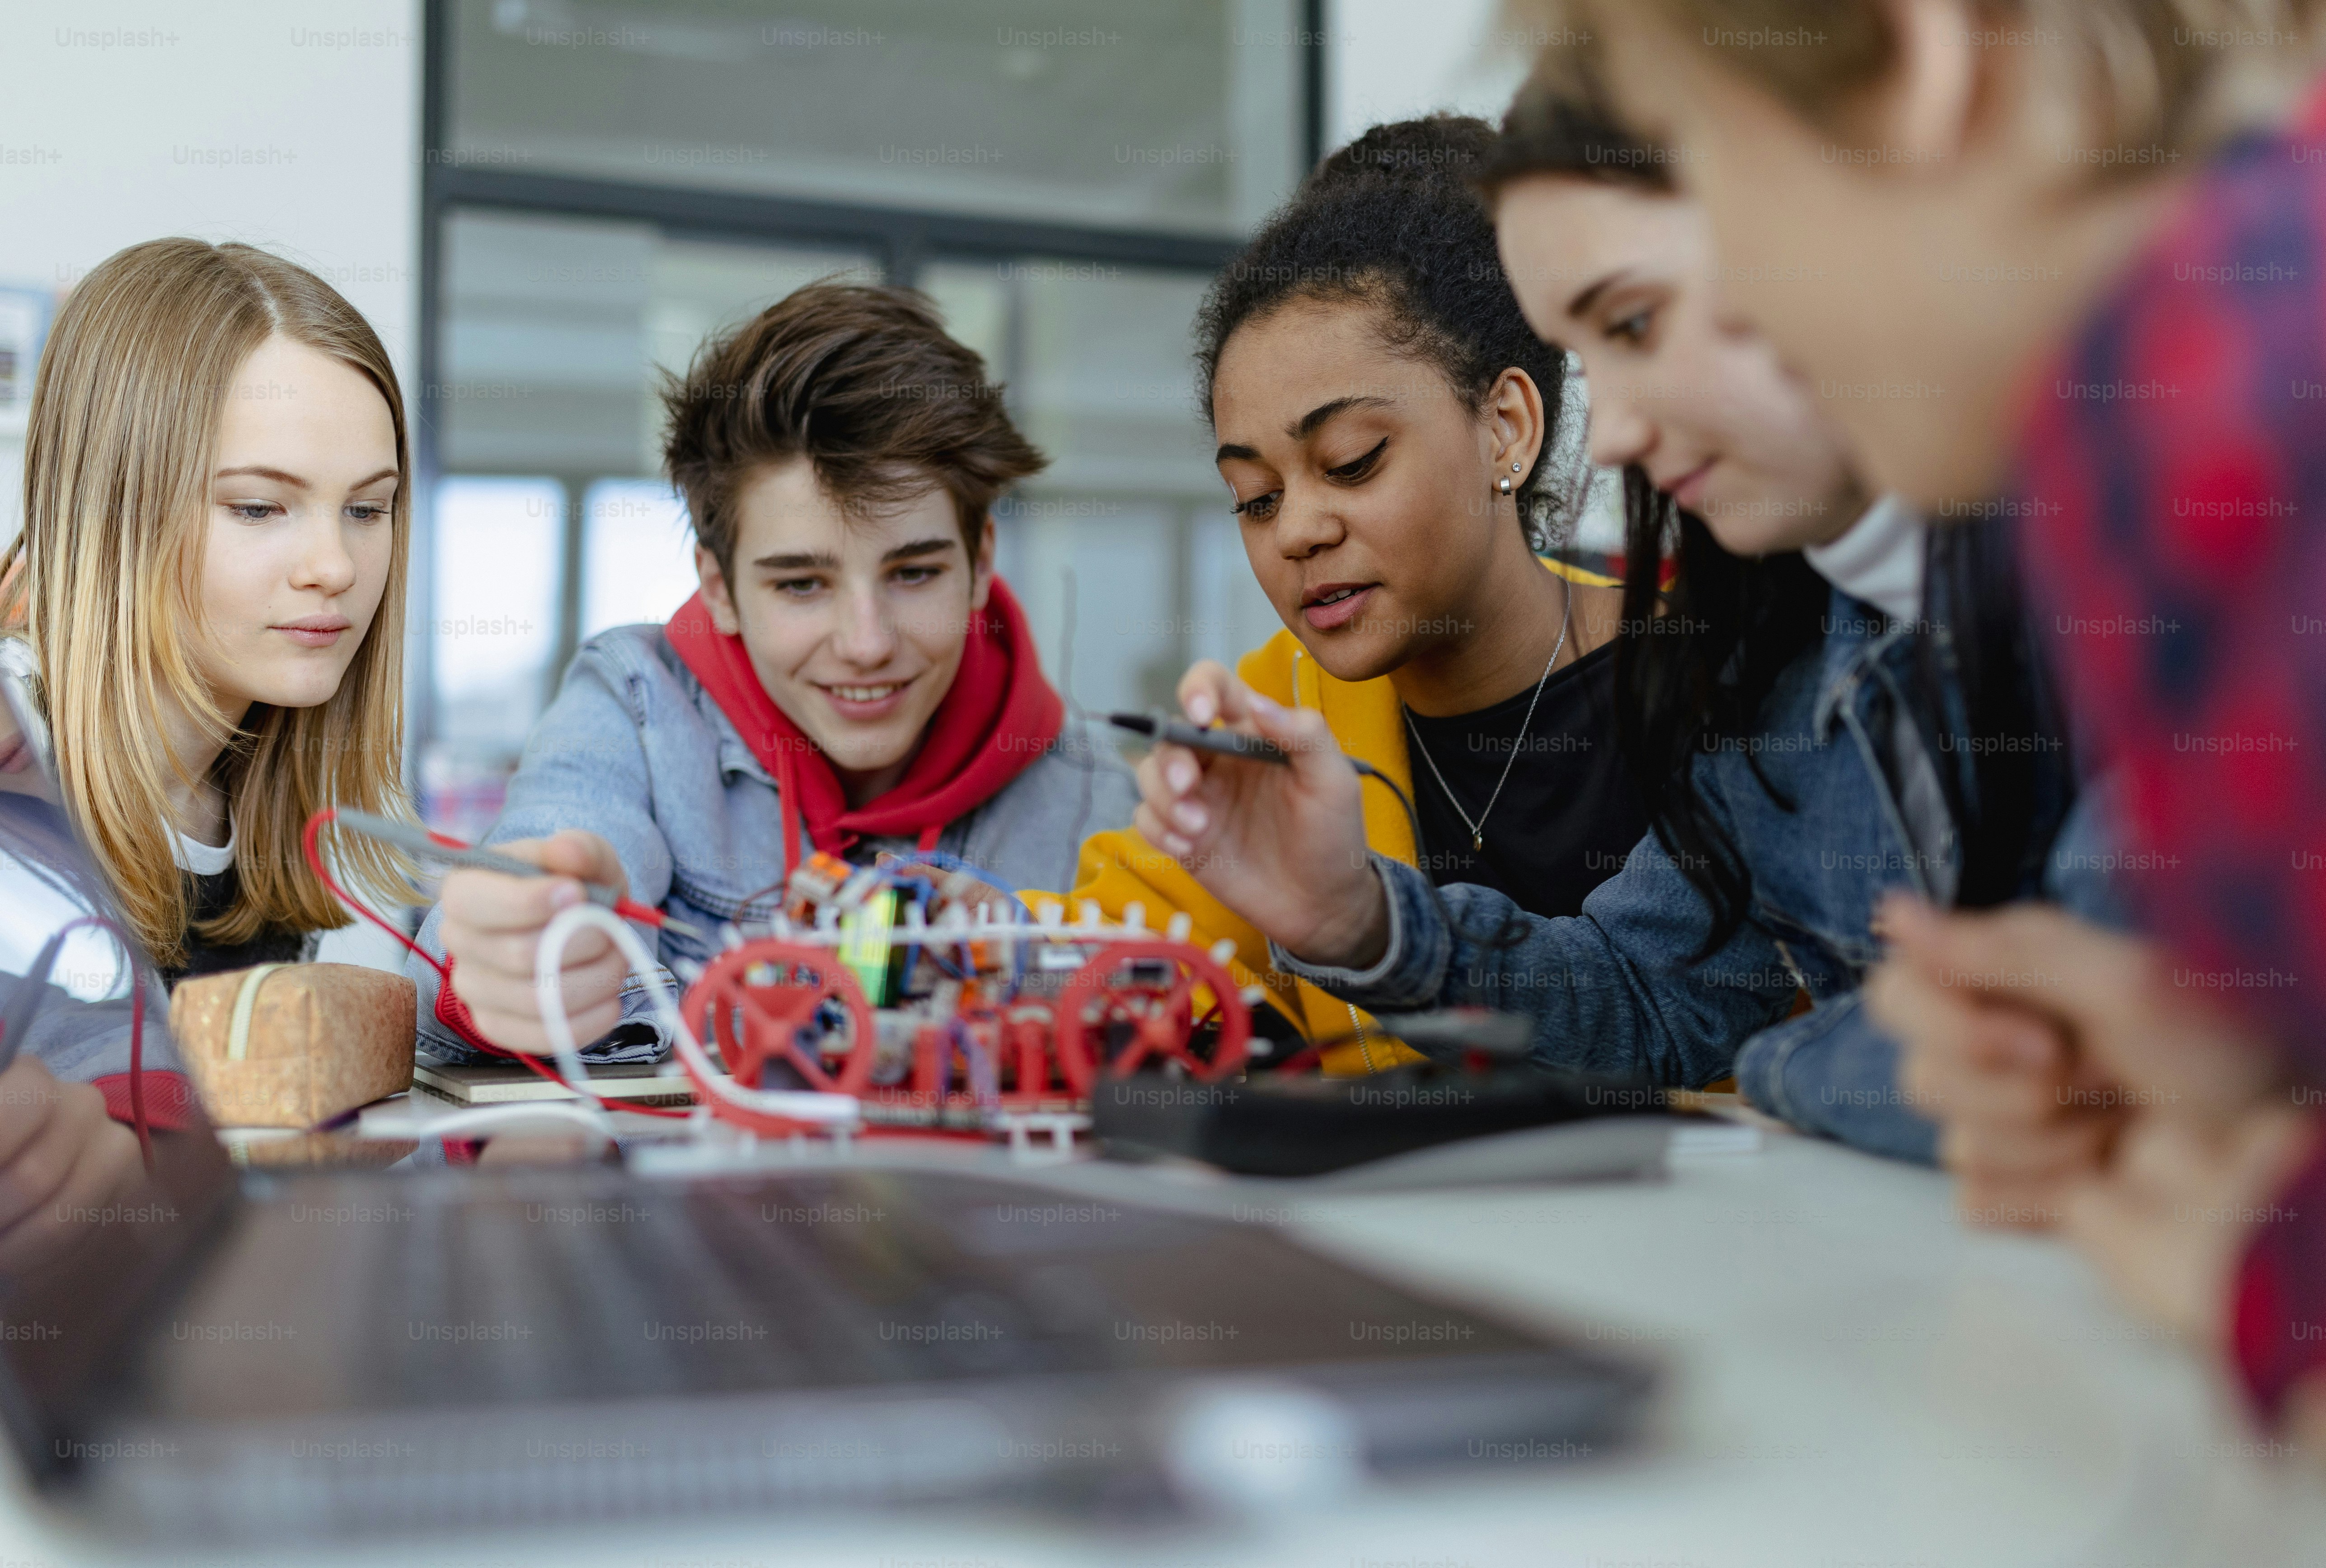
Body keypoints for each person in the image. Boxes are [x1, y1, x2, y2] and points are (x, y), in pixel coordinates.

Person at [1532, 0, 2326, 1453]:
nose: (1749, 291)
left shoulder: (2220, 405)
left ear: (1925, 66)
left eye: (1720, 175)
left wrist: (2254, 1271)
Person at [1126, 89, 2098, 1162]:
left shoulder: (2116, 553)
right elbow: (1648, 998)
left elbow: (2113, 1051)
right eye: (1254, 497)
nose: (1622, 433)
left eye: (1635, 325)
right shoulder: (1767, 660)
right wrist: (1360, 921)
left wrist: (1791, 1067)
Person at [1064, 115, 1646, 1074]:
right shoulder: (1285, 706)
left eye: (1352, 461)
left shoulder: (1712, 677)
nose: (1296, 530)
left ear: (1505, 429)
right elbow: (1120, 944)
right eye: (1255, 497)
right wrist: (975, 938)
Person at [418, 283, 1135, 1060]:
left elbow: (1182, 1018)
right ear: (720, 588)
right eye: (801, 584)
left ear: (980, 562)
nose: (866, 644)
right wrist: (519, 953)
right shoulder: (636, 705)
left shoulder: (1088, 788)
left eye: (914, 573)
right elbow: (445, 987)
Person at [0, 238, 414, 992]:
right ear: (115, 513)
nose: (337, 567)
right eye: (258, 507)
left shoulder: (258, 791)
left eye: (366, 508)